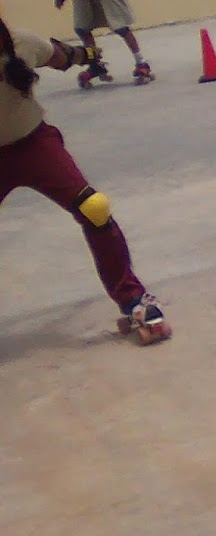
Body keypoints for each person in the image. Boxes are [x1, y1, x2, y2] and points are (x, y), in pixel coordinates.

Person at [0, 17, 170, 343]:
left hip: (34, 144)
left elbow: (59, 56)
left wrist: (86, 55)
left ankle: (132, 298)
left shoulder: (21, 42)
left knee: (94, 207)